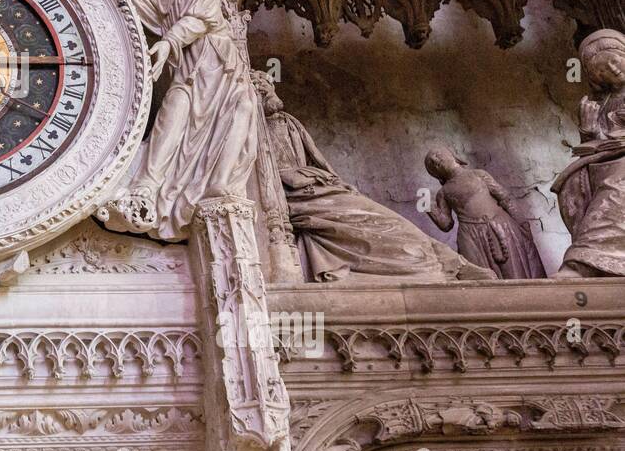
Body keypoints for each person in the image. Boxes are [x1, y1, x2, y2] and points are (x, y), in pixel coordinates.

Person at [258, 75, 493, 282]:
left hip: (322, 188)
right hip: (300, 197)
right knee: (384, 229)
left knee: (393, 223)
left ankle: (452, 263)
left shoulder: (287, 122)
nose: (270, 90)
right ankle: (442, 267)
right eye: (261, 88)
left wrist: (335, 183)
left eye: (269, 85)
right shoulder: (250, 126)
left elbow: (318, 161)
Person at [106, 0, 258, 242]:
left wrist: (169, 41)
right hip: (188, 67)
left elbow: (203, 19)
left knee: (239, 111)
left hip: (218, 64)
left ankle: (219, 184)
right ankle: (147, 185)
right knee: (172, 114)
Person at [551, 28, 625, 277]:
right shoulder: (603, 103)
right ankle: (594, 260)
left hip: (619, 167)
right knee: (572, 182)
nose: (613, 69)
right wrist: (590, 130)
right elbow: (597, 144)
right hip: (605, 162)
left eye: (615, 60)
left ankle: (585, 259)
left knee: (618, 183)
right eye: (603, 69)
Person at [424, 146, 546, 280]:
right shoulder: (443, 192)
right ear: (435, 173)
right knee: (478, 277)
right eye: (431, 163)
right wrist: (426, 206)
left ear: (454, 156)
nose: (436, 160)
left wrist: (520, 220)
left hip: (499, 225)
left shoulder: (479, 174)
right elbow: (446, 225)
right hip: (471, 236)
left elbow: (504, 198)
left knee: (514, 272)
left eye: (438, 155)